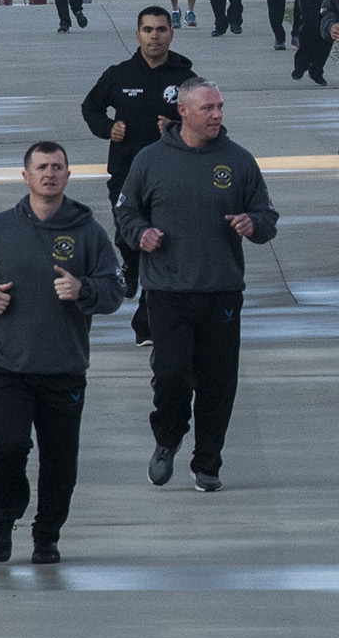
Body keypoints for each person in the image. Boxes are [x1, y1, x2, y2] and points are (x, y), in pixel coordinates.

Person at [0, 141, 126, 565]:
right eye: (41, 167)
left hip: (63, 368)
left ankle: (47, 535)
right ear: (26, 176)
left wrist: (82, 289)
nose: (49, 174)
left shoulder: (88, 233)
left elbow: (115, 290)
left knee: (59, 462)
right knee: (9, 447)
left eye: (57, 167)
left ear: (68, 176)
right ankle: (3, 518)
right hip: (8, 367)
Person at [114, 79, 279, 489]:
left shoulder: (239, 161)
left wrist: (252, 223)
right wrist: (141, 235)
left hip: (221, 289)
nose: (217, 115)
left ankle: (208, 463)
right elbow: (127, 211)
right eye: (208, 108)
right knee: (170, 373)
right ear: (183, 112)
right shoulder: (151, 160)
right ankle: (168, 438)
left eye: (220, 107)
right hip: (167, 290)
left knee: (218, 382)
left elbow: (266, 216)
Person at [79, 7, 194, 322]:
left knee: (159, 241)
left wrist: (175, 127)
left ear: (171, 33)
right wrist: (107, 128)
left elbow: (204, 121)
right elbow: (90, 107)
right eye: (147, 30)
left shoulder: (185, 79)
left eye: (160, 29)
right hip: (126, 171)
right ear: (137, 34)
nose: (154, 36)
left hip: (169, 174)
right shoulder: (119, 74)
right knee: (128, 231)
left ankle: (147, 314)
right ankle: (129, 263)